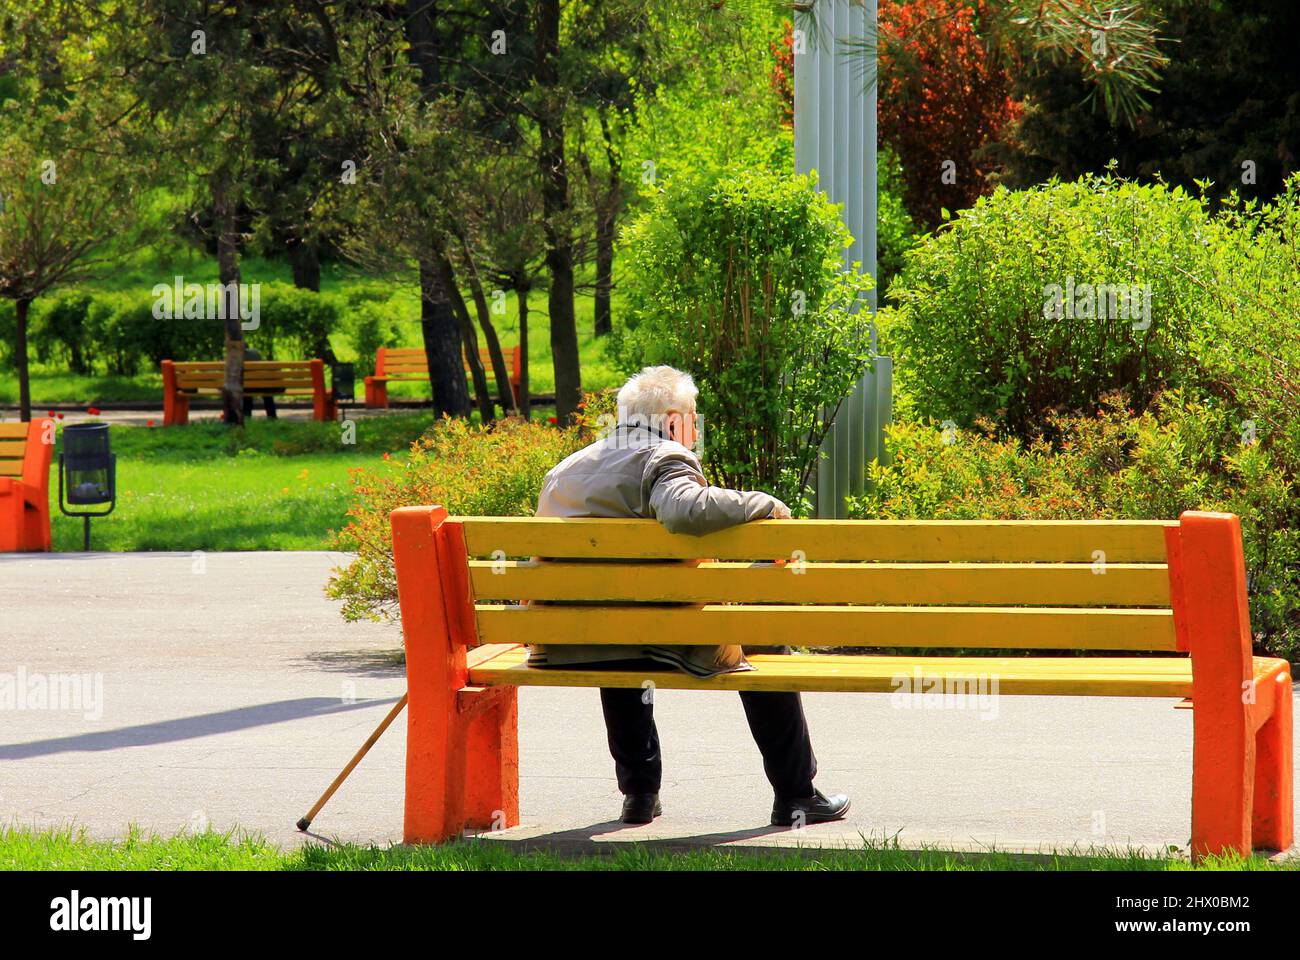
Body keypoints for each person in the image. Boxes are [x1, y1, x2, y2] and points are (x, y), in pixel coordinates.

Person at [532, 365, 850, 827]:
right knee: (764, 638)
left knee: (614, 635)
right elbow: (684, 511)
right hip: (665, 638)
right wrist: (765, 502)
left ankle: (639, 794)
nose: (696, 428)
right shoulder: (663, 457)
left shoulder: (565, 470)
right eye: (694, 416)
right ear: (674, 419)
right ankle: (797, 794)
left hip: (569, 642)